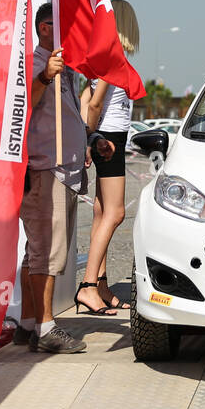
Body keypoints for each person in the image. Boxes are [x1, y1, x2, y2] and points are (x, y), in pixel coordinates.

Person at [16, 2, 114, 353]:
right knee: (47, 251)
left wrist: (91, 140)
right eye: (65, 28)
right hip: (46, 168)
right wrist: (45, 76)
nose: (75, 35)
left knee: (39, 251)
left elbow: (70, 115)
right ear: (46, 28)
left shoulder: (66, 68)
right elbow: (24, 99)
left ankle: (29, 323)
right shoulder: (37, 63)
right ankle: (44, 328)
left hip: (64, 168)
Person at [75, 75, 133, 314]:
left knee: (101, 212)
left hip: (107, 134)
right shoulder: (110, 60)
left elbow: (85, 97)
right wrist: (89, 137)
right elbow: (94, 104)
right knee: (116, 213)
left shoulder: (106, 62)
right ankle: (88, 285)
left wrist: (87, 135)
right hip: (110, 136)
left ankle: (100, 286)